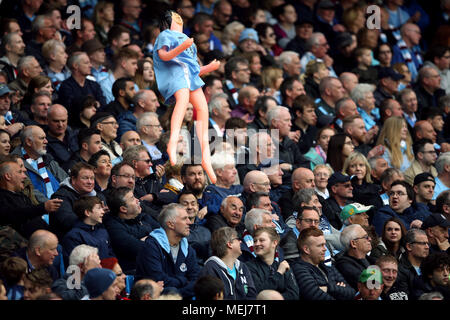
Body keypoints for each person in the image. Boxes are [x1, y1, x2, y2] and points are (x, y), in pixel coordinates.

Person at [153, 11, 220, 184]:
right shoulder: (165, 35)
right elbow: (164, 55)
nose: (179, 18)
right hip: (176, 77)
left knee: (203, 110)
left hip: (190, 79)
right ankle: (173, 142)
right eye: (175, 16)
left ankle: (205, 157)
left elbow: (194, 69)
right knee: (182, 102)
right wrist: (183, 47)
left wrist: (209, 68)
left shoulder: (188, 41)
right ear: (167, 21)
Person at [135, 203, 200, 299]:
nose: (189, 222)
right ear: (170, 224)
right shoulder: (151, 246)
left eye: (188, 219)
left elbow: (196, 279)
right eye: (184, 219)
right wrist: (184, 281)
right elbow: (158, 279)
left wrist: (177, 294)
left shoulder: (187, 248)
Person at [0, 157, 63, 238]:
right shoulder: (2, 198)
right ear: (8, 176)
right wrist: (43, 207)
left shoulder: (22, 196)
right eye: (20, 172)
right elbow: (15, 214)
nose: (25, 176)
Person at [290, 227, 355, 300]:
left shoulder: (328, 268)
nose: (325, 249)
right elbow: (315, 295)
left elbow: (351, 292)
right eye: (320, 245)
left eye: (324, 244)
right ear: (306, 249)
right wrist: (338, 288)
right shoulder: (298, 269)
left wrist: (328, 288)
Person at [50, 162, 107, 240]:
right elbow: (67, 221)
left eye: (92, 178)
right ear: (73, 179)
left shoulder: (99, 196)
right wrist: (93, 218)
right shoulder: (61, 197)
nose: (90, 182)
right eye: (85, 178)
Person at [200, 226, 257, 300]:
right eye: (237, 239)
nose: (240, 242)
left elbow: (251, 295)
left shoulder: (243, 267)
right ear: (229, 244)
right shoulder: (211, 268)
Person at [245, 227, 299, 300]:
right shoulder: (248, 267)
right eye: (255, 241)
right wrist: (279, 273)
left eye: (261, 240)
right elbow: (258, 294)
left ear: (274, 243)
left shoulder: (283, 265)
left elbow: (294, 294)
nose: (257, 244)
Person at [61, 196, 115, 262]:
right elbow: (74, 264)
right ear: (87, 212)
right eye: (99, 208)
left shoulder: (103, 232)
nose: (103, 211)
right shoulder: (74, 237)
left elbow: (111, 254)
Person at [335, 224, 376, 290]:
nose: (370, 239)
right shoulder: (344, 266)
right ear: (353, 243)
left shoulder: (371, 259)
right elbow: (370, 284)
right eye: (365, 237)